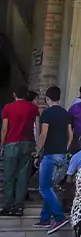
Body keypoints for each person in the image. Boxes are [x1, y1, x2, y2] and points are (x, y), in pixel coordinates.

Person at [35, 85, 73, 229]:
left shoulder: (47, 113)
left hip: (50, 155)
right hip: (62, 155)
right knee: (49, 188)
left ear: (47, 99)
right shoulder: (66, 114)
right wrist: (65, 148)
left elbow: (43, 134)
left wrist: (38, 151)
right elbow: (71, 134)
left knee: (44, 188)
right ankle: (45, 218)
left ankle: (59, 216)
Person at [0, 87, 39, 216]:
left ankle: (7, 205)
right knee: (23, 177)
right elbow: (36, 127)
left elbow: (4, 129)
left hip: (11, 144)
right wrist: (37, 146)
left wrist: (2, 145)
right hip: (27, 144)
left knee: (9, 176)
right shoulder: (33, 108)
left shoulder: (8, 107)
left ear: (14, 94)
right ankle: (18, 207)